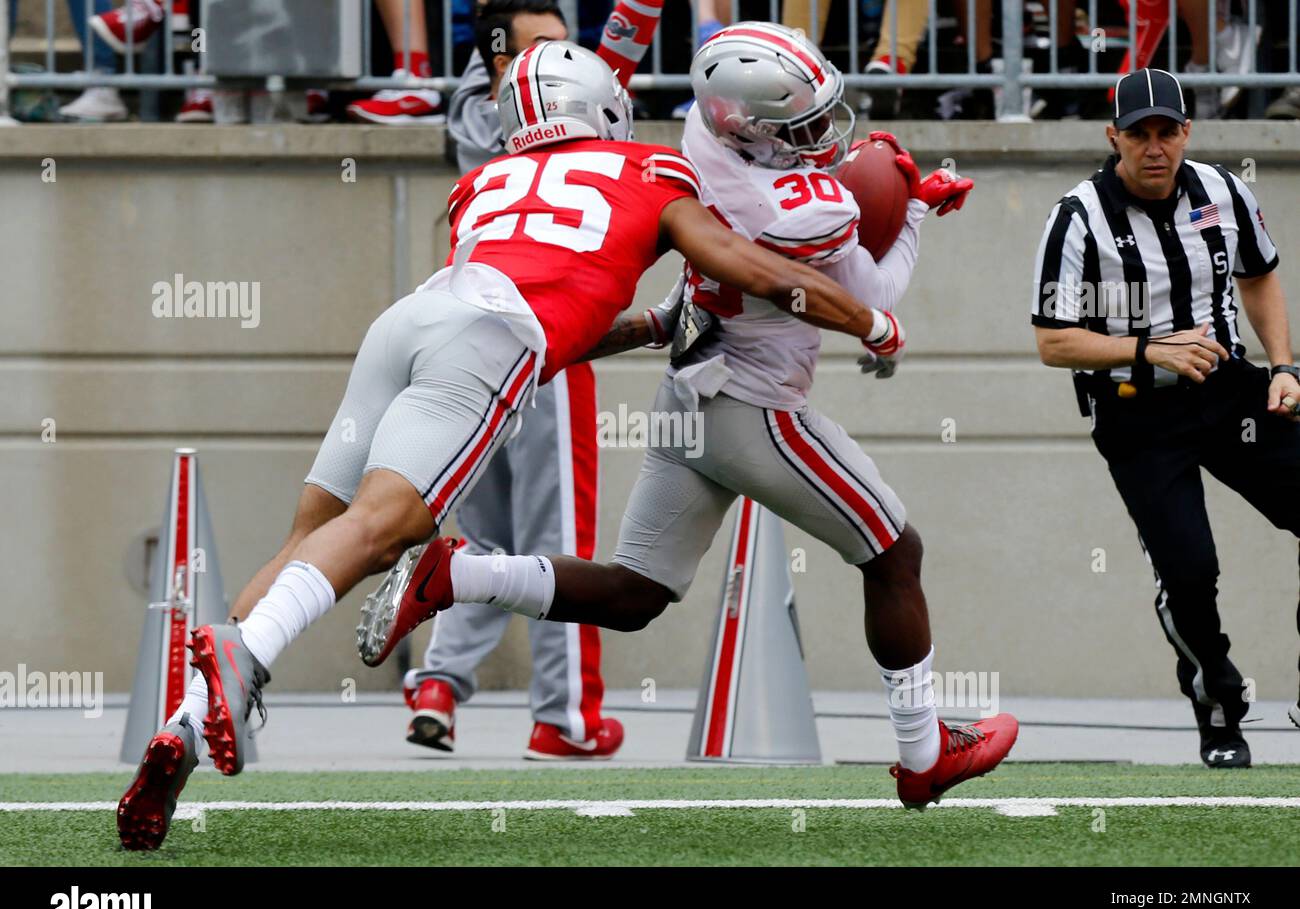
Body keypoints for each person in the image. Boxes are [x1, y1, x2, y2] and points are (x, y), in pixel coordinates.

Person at [117, 38, 897, 850]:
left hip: (408, 321)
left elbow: (567, 295)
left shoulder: (480, 183)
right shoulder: (651, 170)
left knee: (309, 539)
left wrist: (648, 327)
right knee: (387, 529)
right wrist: (871, 320)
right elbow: (752, 267)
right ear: (601, 107)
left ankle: (180, 728)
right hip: (488, 336)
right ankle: (244, 659)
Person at [365, 23, 1019, 811]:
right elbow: (871, 295)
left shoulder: (696, 148)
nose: (820, 139)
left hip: (687, 396)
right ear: (745, 124)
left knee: (635, 593)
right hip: (754, 410)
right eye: (800, 126)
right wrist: (908, 213)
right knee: (894, 552)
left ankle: (457, 573)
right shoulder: (797, 207)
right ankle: (923, 753)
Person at [405, 0, 662, 761]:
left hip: (458, 341)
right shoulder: (516, 110)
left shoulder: (481, 106)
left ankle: (439, 686)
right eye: (544, 45)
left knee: (491, 541)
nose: (561, 56)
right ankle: (566, 718)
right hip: (543, 336)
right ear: (497, 56)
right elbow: (614, 60)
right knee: (562, 539)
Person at [1030, 68, 1299, 767]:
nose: (1155, 148)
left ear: (1188, 132)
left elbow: (1259, 272)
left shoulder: (1222, 190)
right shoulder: (1078, 216)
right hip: (1136, 410)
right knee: (1189, 571)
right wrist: (1152, 348)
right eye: (1140, 133)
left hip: (1228, 390)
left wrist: (1284, 366)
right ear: (1112, 135)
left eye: (1168, 131)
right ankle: (1219, 710)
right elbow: (1054, 341)